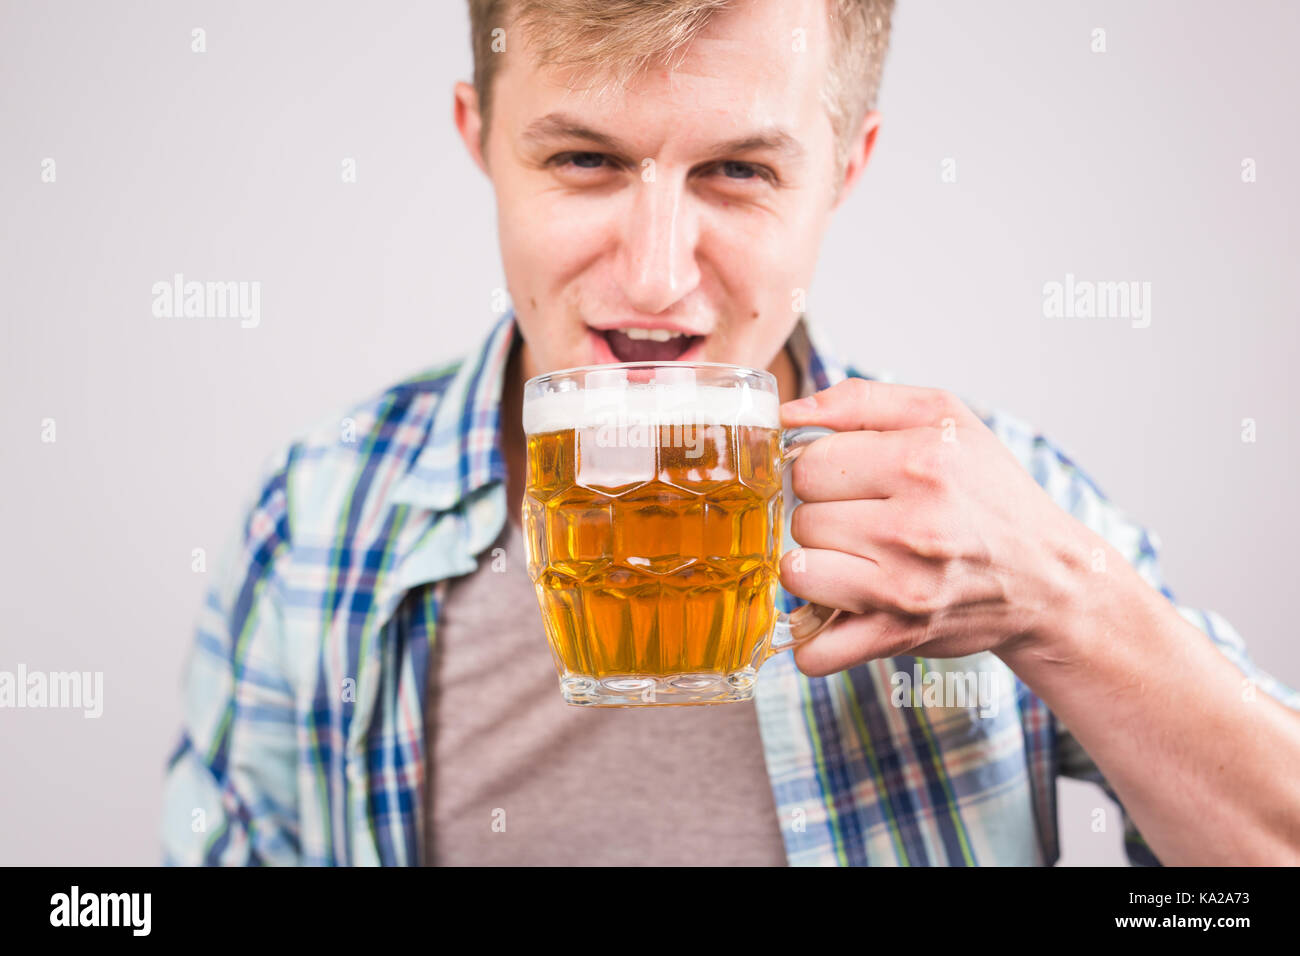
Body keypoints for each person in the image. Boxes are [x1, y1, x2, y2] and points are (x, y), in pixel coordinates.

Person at [161, 0, 1300, 866]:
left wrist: (1069, 605)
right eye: (583, 159)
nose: (656, 276)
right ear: (480, 140)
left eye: (740, 171)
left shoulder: (1002, 511)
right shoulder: (315, 519)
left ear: (843, 171)